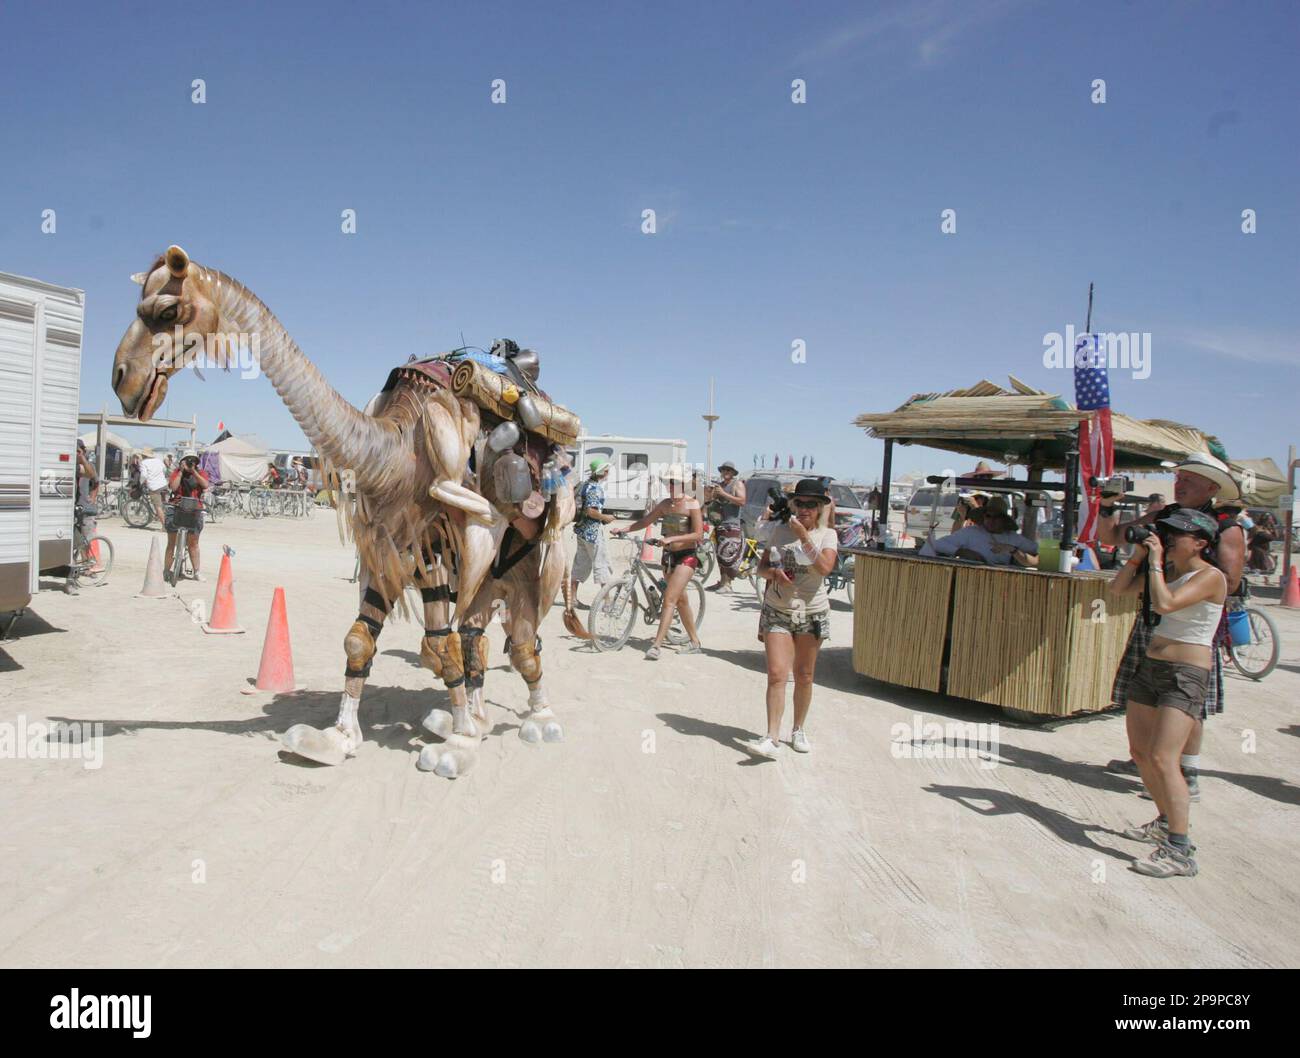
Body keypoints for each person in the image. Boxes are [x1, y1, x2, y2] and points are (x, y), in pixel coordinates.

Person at [1100, 454, 1244, 802]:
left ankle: (1187, 771)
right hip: (1155, 614)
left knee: (1186, 703)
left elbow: (1232, 582)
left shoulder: (1226, 526)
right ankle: (1150, 762)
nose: (1180, 483)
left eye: (1190, 480)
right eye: (1180, 478)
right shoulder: (1162, 517)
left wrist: (1183, 572)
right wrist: (1106, 506)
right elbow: (1112, 535)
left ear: (1212, 487)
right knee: (1150, 696)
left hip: (1192, 626)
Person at [1109, 508, 1226, 877]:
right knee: (1141, 752)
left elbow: (1166, 604)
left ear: (1201, 543)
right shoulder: (1168, 572)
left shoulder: (1211, 577)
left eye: (1177, 534)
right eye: (1166, 532)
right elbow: (1119, 589)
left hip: (1185, 673)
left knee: (1163, 757)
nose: (1169, 538)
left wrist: (1157, 562)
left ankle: (1180, 849)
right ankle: (1163, 820)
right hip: (1151, 667)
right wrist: (1139, 558)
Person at [741, 478, 839, 759]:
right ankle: (771, 736)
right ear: (792, 504)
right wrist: (774, 574)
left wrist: (804, 536)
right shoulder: (779, 531)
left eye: (812, 504)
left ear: (821, 508)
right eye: (800, 503)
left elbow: (824, 568)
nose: (805, 508)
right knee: (776, 675)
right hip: (778, 610)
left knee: (805, 675)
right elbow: (760, 568)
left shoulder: (827, 535)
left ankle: (798, 729)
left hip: (811, 613)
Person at [613, 464, 703, 659]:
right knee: (680, 599)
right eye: (668, 482)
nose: (670, 486)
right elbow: (645, 521)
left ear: (682, 484)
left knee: (670, 599)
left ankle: (656, 645)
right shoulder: (664, 504)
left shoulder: (692, 504)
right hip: (668, 557)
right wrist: (624, 529)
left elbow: (698, 534)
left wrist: (671, 539)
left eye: (674, 482)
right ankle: (695, 641)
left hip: (687, 556)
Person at [920, 495, 1038, 566]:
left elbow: (1038, 556)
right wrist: (962, 552)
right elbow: (936, 544)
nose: (992, 520)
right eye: (988, 516)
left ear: (1004, 520)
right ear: (983, 517)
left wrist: (1013, 550)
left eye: (996, 517)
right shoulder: (971, 532)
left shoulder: (1013, 538)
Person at [570, 457, 615, 603]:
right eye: (606, 470)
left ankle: (572, 598)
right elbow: (591, 511)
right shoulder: (595, 489)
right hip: (593, 532)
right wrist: (605, 517)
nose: (608, 472)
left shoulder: (586, 485)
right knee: (601, 564)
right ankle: (607, 601)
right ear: (601, 472)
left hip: (582, 531)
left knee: (581, 564)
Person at [165, 451, 210, 582]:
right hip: (176, 507)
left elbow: (206, 485)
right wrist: (180, 472)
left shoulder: (200, 473)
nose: (191, 463)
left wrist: (193, 472)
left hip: (195, 509)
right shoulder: (176, 472)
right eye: (188, 460)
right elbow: (173, 487)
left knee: (193, 543)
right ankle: (166, 570)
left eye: (193, 461)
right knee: (171, 543)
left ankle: (196, 572)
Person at [706, 461, 747, 592]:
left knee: (728, 555)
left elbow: (742, 501)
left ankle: (727, 584)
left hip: (732, 525)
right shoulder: (720, 485)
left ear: (733, 473)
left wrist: (723, 494)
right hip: (720, 525)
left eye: (728, 470)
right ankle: (722, 582)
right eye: (724, 470)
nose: (726, 473)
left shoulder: (737, 484)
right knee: (720, 555)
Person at [138, 451, 169, 524]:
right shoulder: (158, 460)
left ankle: (164, 526)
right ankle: (163, 514)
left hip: (154, 487)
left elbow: (144, 475)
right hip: (163, 484)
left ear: (143, 456)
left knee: (158, 506)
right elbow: (164, 470)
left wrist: (141, 483)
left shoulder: (143, 463)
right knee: (163, 503)